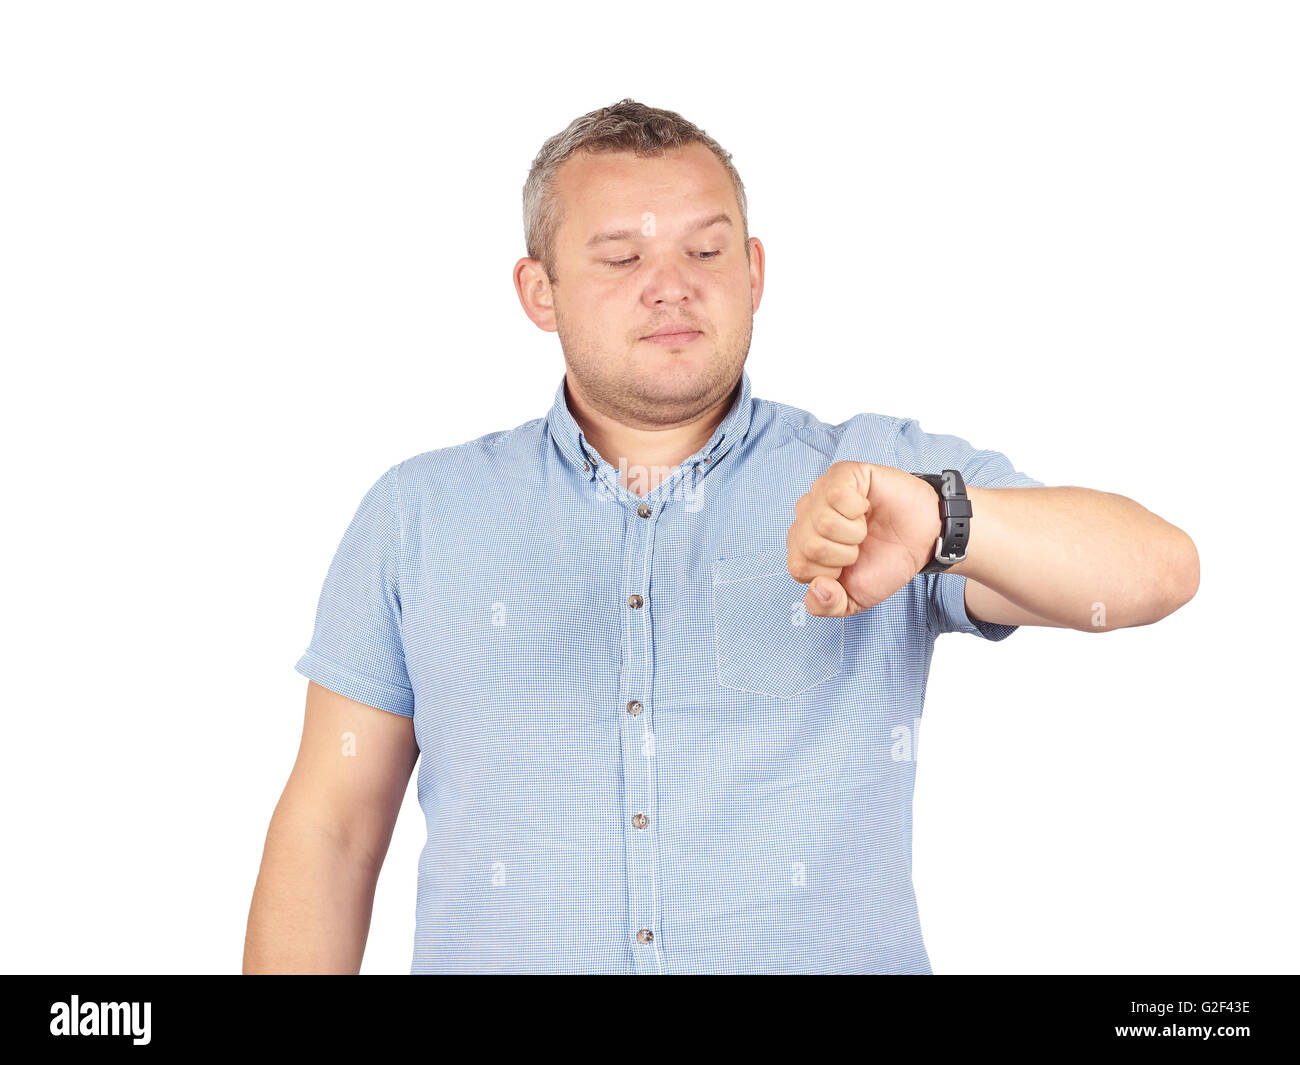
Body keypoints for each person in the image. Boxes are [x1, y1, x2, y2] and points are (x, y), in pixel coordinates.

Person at [243, 99, 1199, 975]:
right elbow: (332, 828)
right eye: (622, 257)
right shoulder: (419, 513)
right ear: (539, 290)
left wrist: (947, 517)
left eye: (706, 253)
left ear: (755, 272)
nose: (671, 288)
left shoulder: (875, 479)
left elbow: (1156, 571)